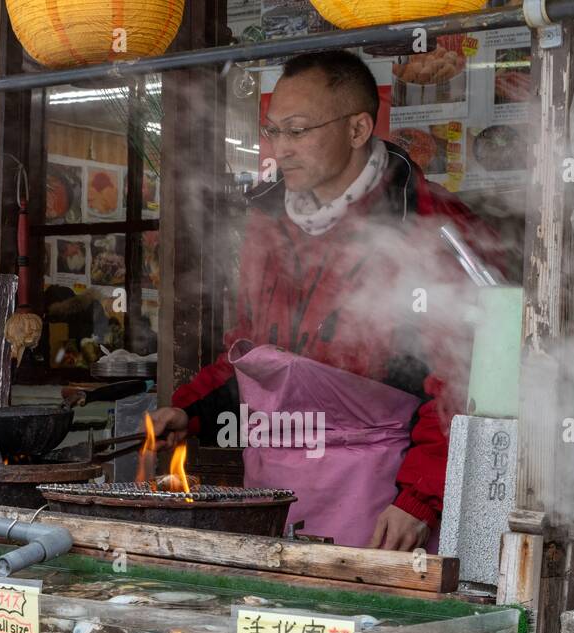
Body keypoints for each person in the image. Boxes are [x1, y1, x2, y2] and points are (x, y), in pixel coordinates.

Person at [150, 49, 508, 551]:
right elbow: (254, 354)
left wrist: (420, 500)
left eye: (297, 131)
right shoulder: (267, 224)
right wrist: (190, 411)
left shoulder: (428, 223)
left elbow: (468, 377)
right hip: (273, 491)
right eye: (273, 131)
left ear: (358, 129)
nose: (280, 148)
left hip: (384, 503)